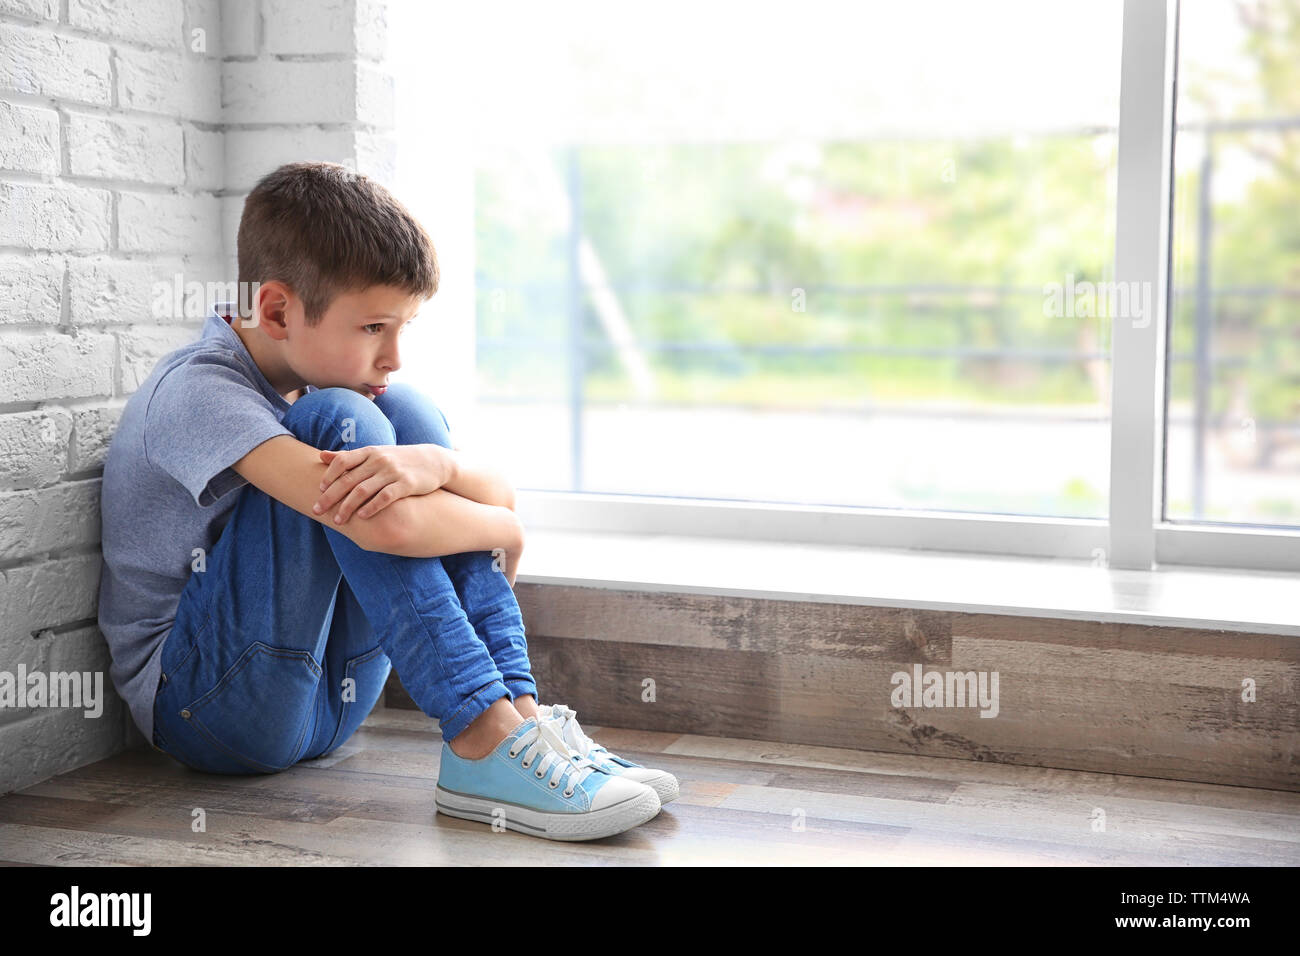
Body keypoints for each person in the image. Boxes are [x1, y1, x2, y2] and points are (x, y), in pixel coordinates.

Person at [97, 161, 677, 842]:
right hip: (211, 712)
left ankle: (518, 721)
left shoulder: (329, 379)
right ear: (278, 310)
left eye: (403, 327)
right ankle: (479, 734)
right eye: (374, 327)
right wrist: (505, 531)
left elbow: (487, 492)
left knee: (403, 417)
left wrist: (436, 465)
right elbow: (393, 526)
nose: (394, 353)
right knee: (342, 422)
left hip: (330, 704)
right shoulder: (197, 393)